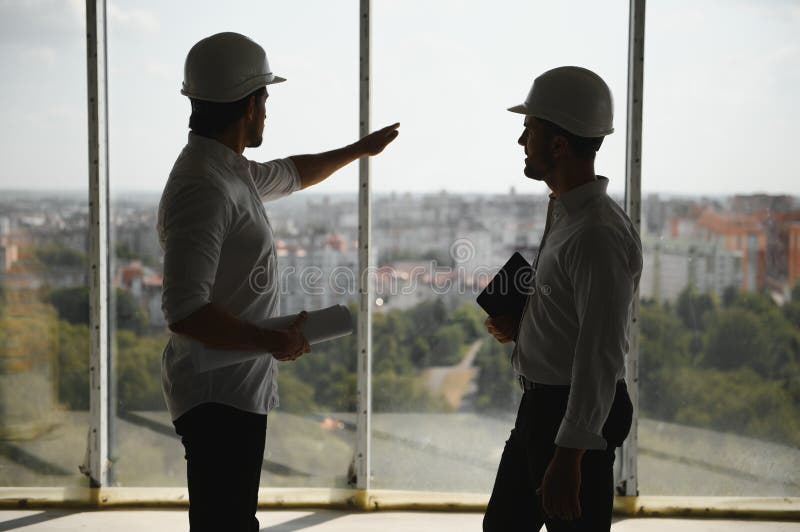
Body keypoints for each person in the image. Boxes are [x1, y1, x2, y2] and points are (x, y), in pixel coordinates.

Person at [158, 32, 399, 532]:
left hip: (231, 389)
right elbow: (185, 310)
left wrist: (360, 149)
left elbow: (292, 173)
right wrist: (273, 340)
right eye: (265, 99)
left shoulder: (227, 172)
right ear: (249, 105)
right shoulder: (204, 186)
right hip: (215, 396)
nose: (267, 111)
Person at [482, 66, 641, 531]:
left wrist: (570, 455)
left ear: (557, 144)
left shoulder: (596, 234)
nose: (520, 141)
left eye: (528, 129)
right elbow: (574, 316)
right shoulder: (567, 210)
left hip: (573, 418)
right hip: (543, 409)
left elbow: (601, 353)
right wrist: (525, 328)